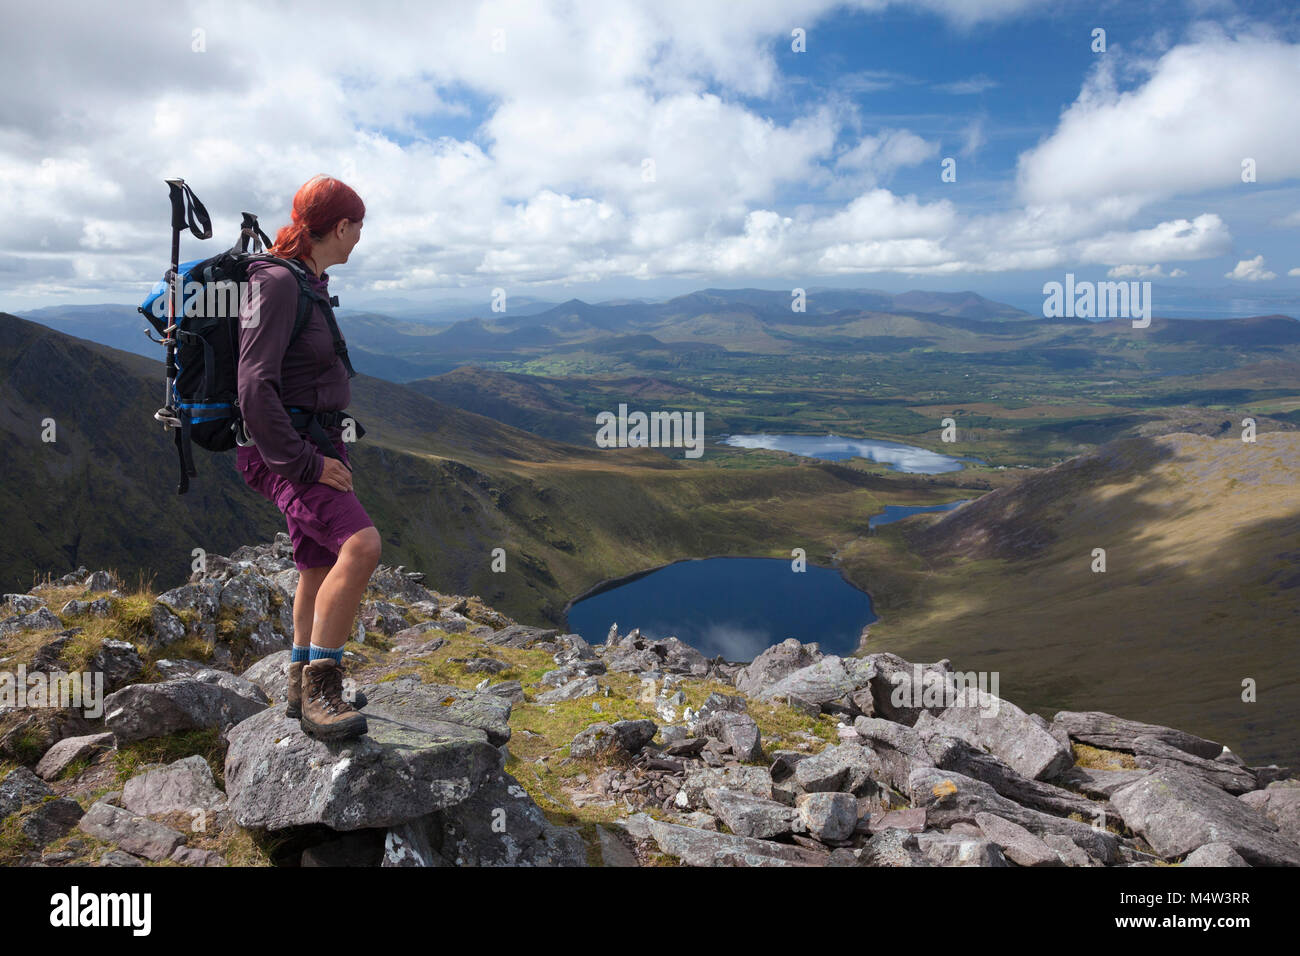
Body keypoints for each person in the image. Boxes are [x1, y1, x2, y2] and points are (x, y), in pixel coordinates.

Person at [235, 174, 379, 741]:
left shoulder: (306, 280)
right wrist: (306, 465)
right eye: (359, 227)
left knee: (318, 564)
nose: (360, 238)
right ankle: (324, 690)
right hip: (288, 453)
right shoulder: (278, 284)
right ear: (340, 227)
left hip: (312, 443)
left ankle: (299, 683)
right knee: (361, 545)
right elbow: (253, 387)